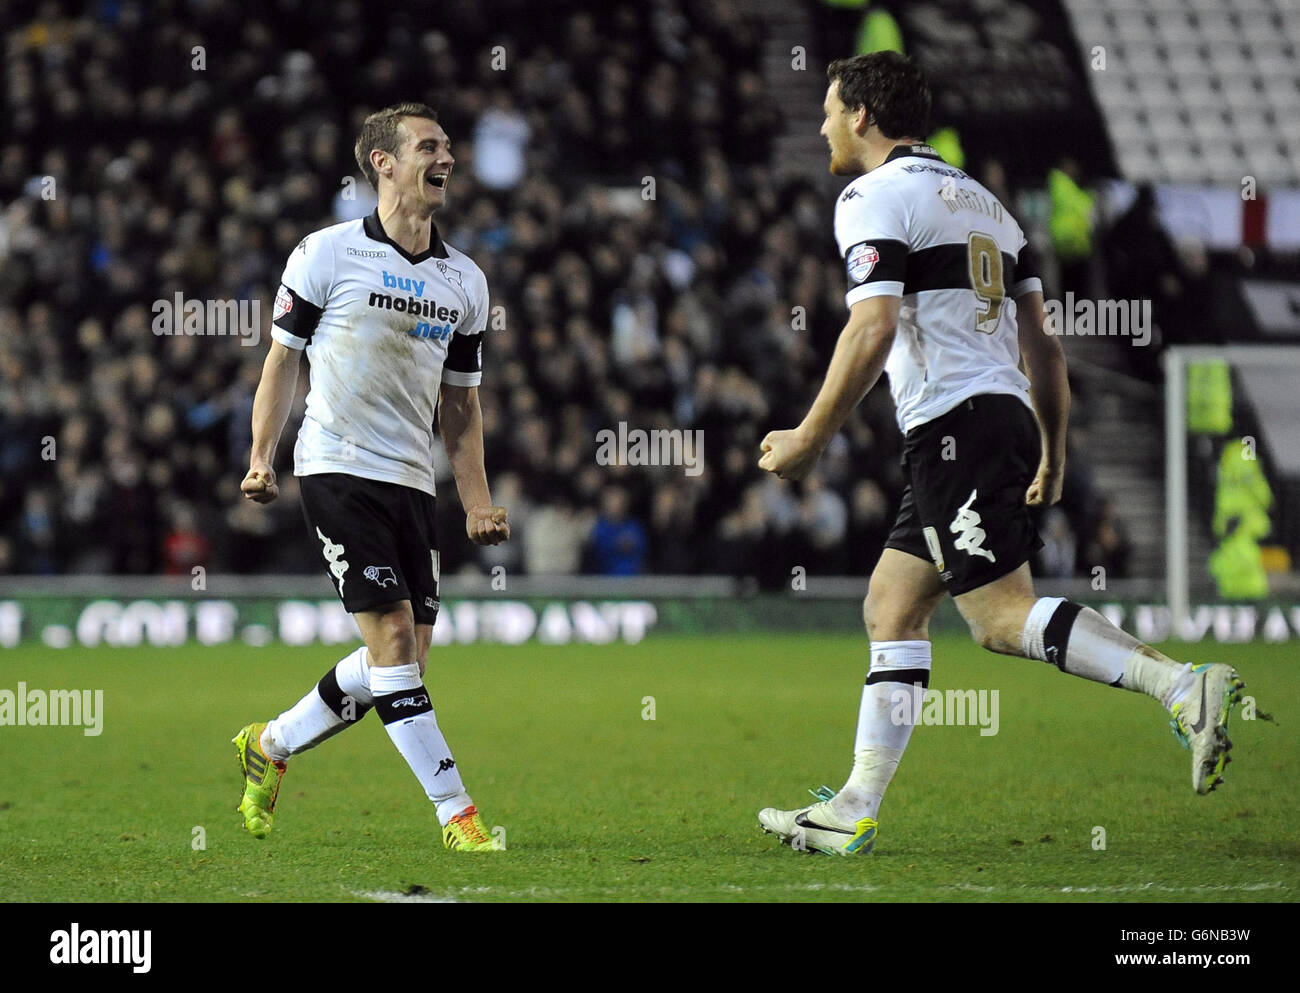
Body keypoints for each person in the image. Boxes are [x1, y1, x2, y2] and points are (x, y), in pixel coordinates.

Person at [755, 53, 1247, 857]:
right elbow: (1045, 351)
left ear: (865, 118)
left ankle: (1181, 686)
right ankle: (853, 804)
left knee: (997, 618)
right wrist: (1051, 452)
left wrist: (810, 436)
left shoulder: (871, 197)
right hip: (1001, 415)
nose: (820, 125)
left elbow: (872, 327)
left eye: (830, 109)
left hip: (957, 424)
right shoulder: (990, 207)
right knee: (891, 604)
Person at [234, 103, 509, 853]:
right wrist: (263, 455)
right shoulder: (325, 255)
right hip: (336, 465)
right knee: (391, 643)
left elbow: (461, 405)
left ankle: (272, 743)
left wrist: (477, 500)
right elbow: (282, 361)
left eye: (449, 143)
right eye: (429, 144)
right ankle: (457, 813)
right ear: (382, 163)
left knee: (405, 664)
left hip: (412, 482)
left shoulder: (466, 281)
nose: (446, 154)